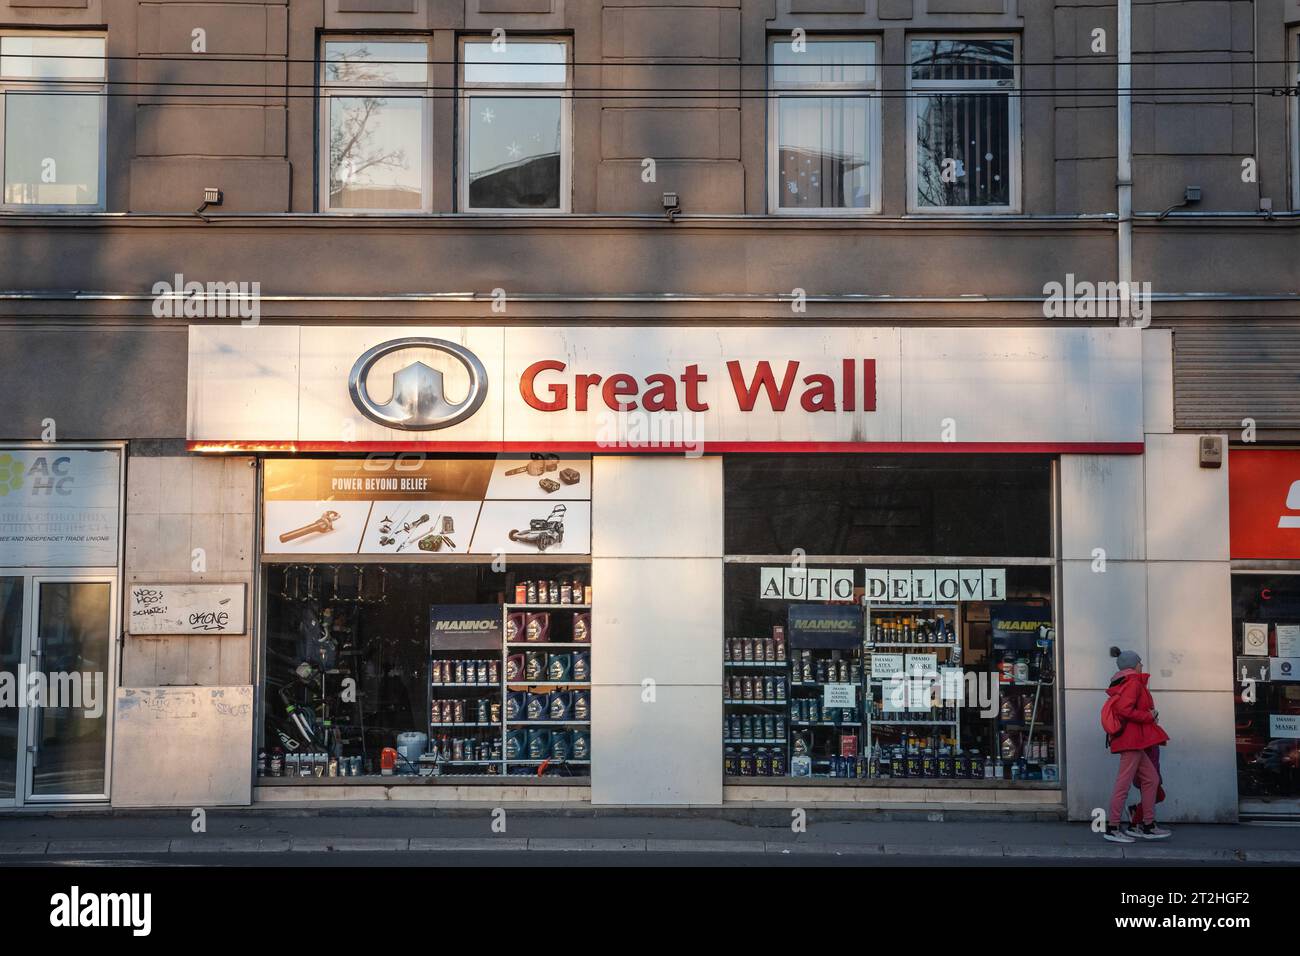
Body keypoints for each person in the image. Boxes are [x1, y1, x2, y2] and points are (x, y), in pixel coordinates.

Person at [1102, 647, 1171, 842]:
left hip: (1135, 741)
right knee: (1123, 784)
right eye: (1140, 662)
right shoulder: (1133, 683)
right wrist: (1148, 716)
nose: (1142, 665)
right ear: (1132, 665)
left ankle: (1147, 825)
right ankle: (1113, 827)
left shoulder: (1126, 682)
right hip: (1131, 741)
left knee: (1151, 779)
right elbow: (1124, 709)